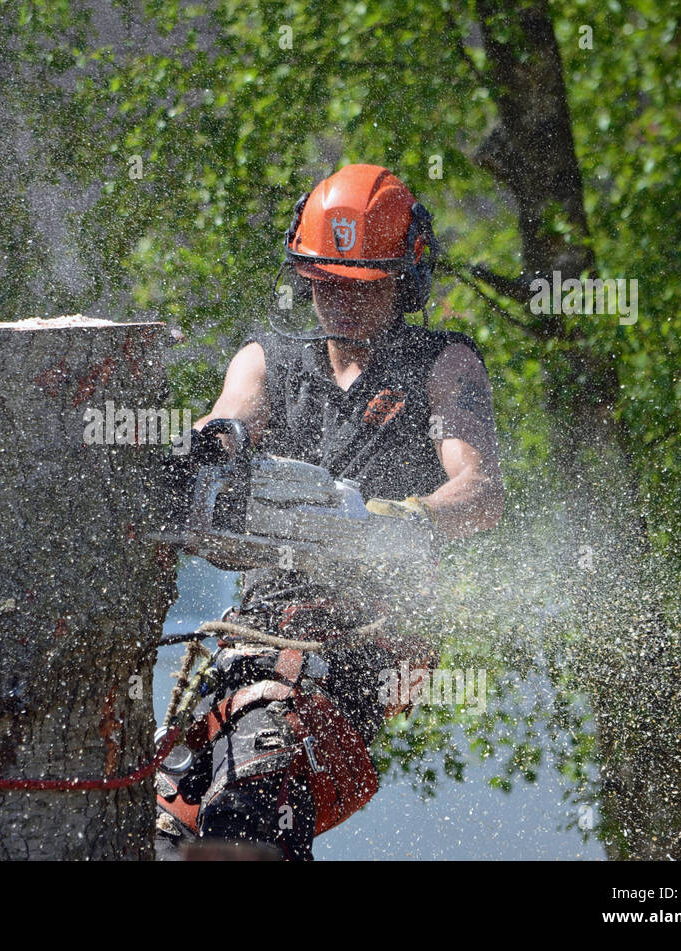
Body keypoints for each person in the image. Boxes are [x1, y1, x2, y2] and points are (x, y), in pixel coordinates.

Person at [155, 163, 503, 860]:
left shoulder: (440, 365)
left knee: (257, 780)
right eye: (325, 283)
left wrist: (401, 523)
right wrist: (203, 454)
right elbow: (228, 422)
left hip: (370, 634)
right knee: (162, 811)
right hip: (254, 631)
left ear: (406, 278)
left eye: (361, 286)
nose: (341, 300)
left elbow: (481, 488)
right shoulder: (269, 360)